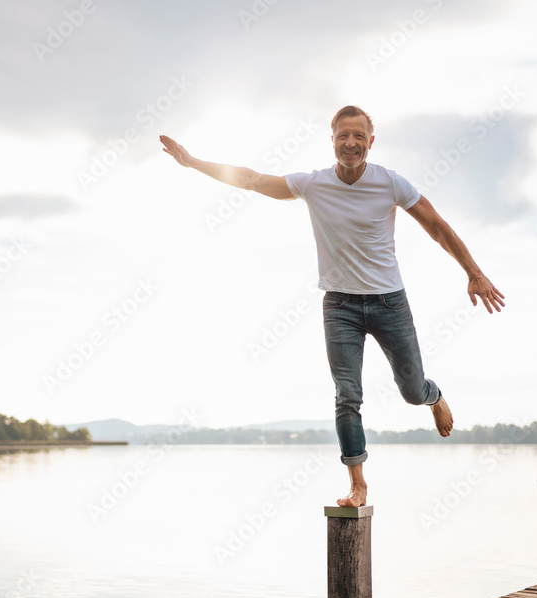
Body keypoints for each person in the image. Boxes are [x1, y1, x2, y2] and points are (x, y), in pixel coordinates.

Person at [159, 105, 504, 507]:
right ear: (333, 141)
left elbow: (438, 227)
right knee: (347, 395)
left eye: (359, 136)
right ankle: (358, 483)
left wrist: (473, 272)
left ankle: (433, 396)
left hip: (389, 302)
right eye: (343, 135)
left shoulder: (391, 184)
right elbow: (252, 179)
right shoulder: (313, 184)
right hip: (339, 306)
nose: (351, 143)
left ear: (370, 142)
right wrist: (193, 162)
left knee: (411, 391)